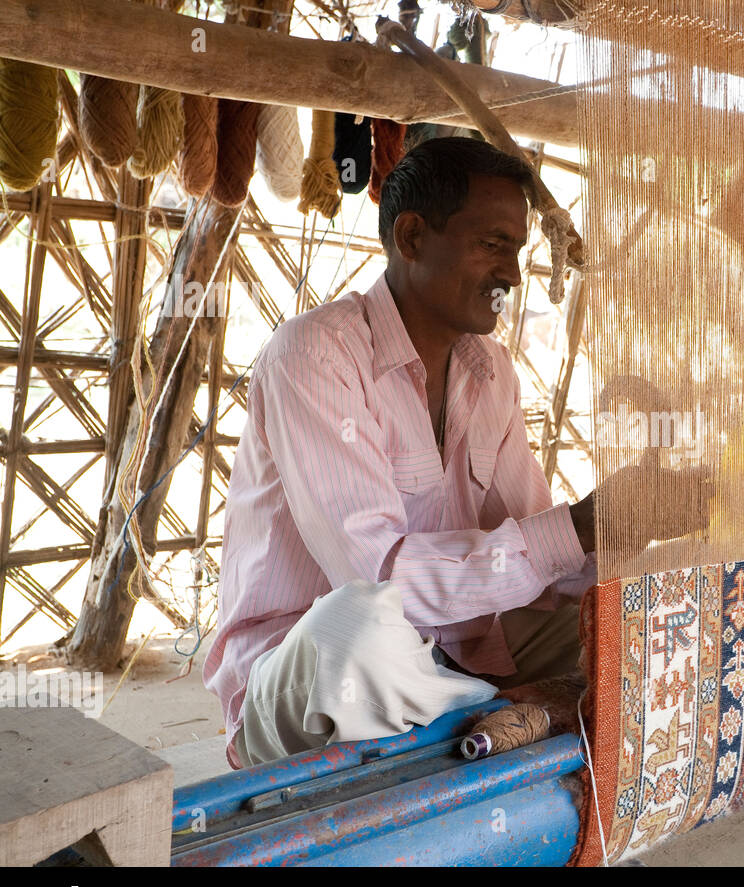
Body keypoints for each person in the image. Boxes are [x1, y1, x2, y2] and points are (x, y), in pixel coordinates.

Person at [205, 138, 710, 769]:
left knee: (641, 608)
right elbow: (378, 579)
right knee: (357, 629)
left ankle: (478, 715)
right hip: (309, 671)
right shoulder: (313, 356)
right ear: (413, 237)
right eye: (492, 245)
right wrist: (576, 525)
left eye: (517, 250)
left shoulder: (490, 370)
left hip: (452, 653)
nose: (513, 275)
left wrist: (621, 530)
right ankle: (501, 710)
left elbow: (533, 547)